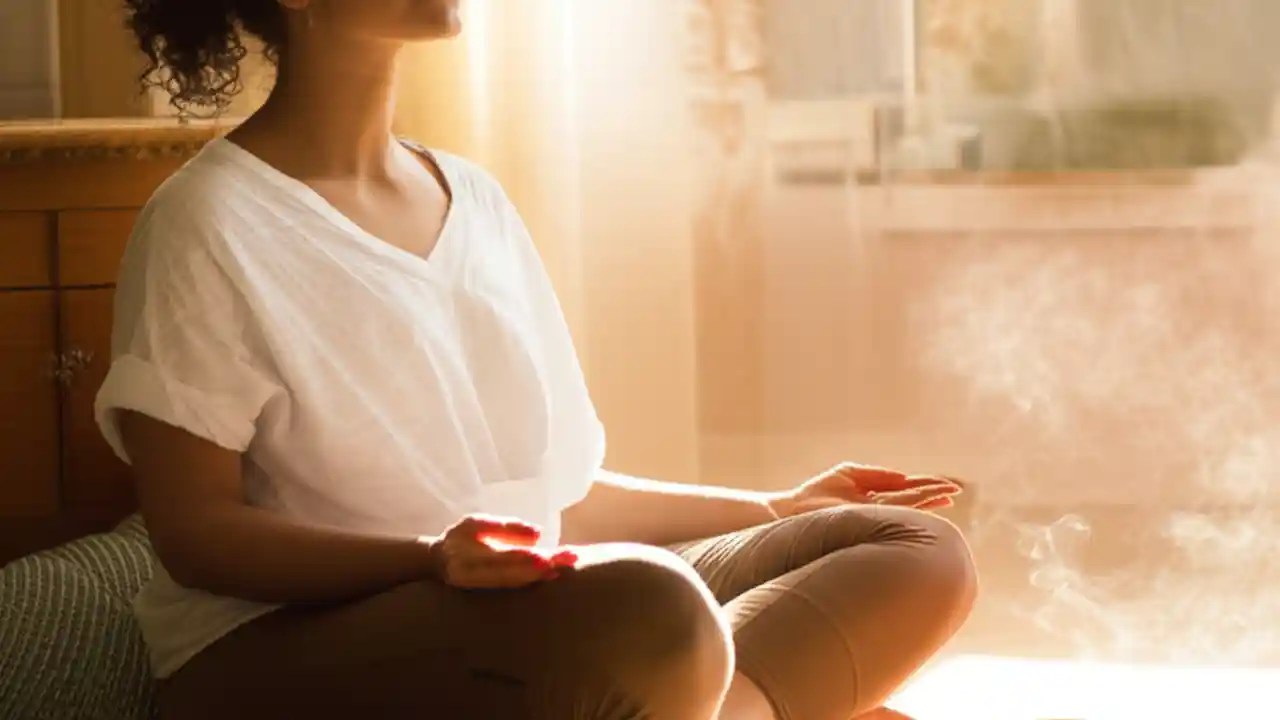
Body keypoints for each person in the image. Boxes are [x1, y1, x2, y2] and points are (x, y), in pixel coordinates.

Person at [100, 2, 977, 718]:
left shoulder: (473, 199)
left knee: (917, 548)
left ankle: (704, 704)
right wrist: (427, 558)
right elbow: (195, 535)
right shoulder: (208, 222)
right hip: (289, 644)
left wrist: (775, 507)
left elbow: (560, 497)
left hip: (523, 600)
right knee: (655, 609)